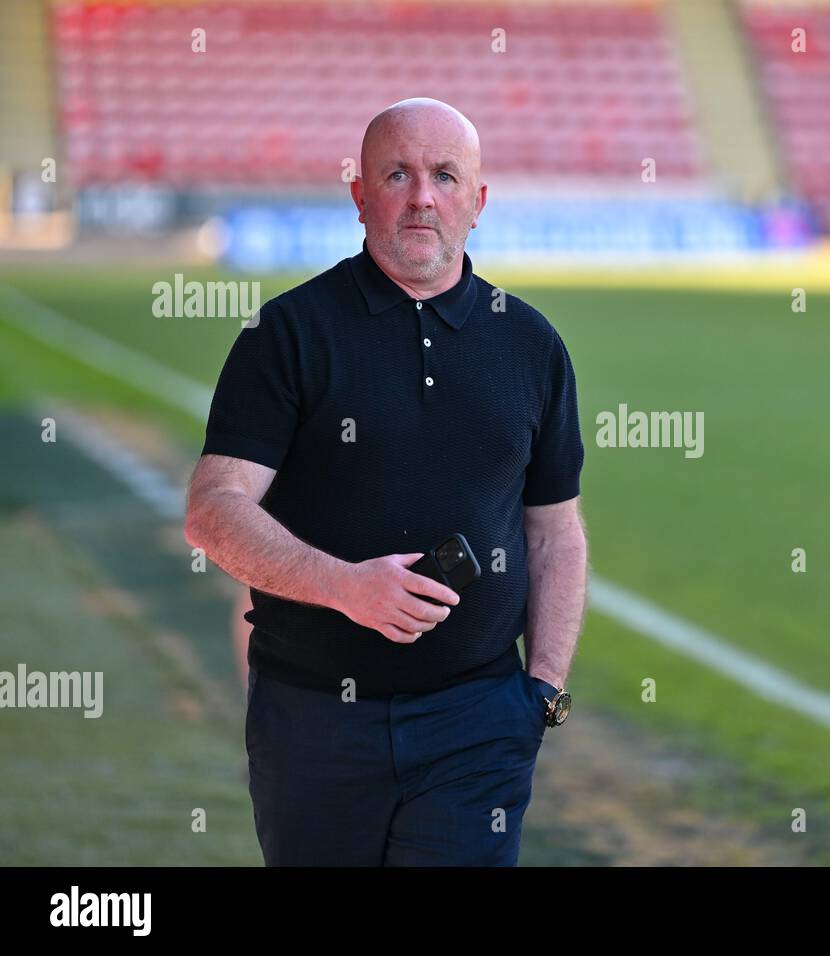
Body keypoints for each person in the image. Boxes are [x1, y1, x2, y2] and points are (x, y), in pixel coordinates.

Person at [184, 98, 588, 866]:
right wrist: (345, 586)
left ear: (479, 201)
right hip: (313, 725)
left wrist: (543, 690)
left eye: (444, 175)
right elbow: (214, 510)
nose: (421, 196)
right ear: (360, 195)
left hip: (479, 722)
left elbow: (555, 531)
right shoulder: (290, 334)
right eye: (397, 174)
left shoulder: (532, 345)